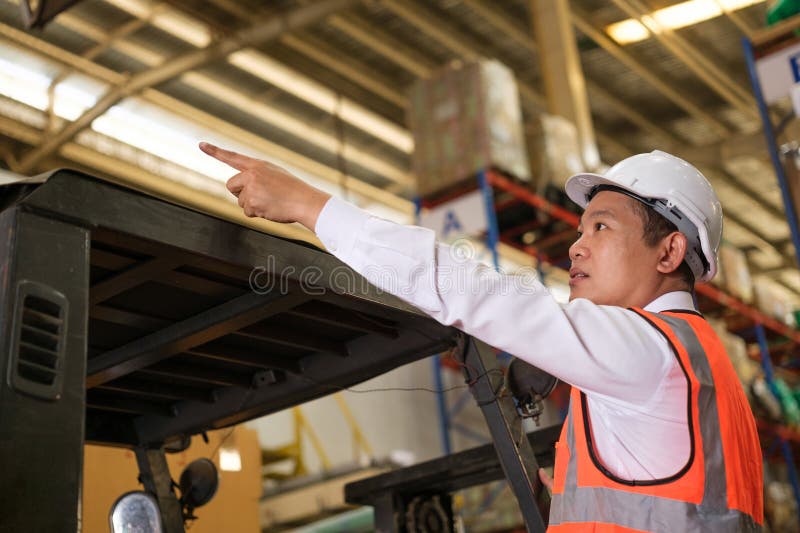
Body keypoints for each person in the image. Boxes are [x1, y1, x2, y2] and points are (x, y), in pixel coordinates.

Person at [199, 142, 763, 531]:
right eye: (578, 229)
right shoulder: (697, 363)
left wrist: (307, 205)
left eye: (601, 227)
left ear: (669, 252)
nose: (575, 246)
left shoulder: (647, 350)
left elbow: (475, 293)